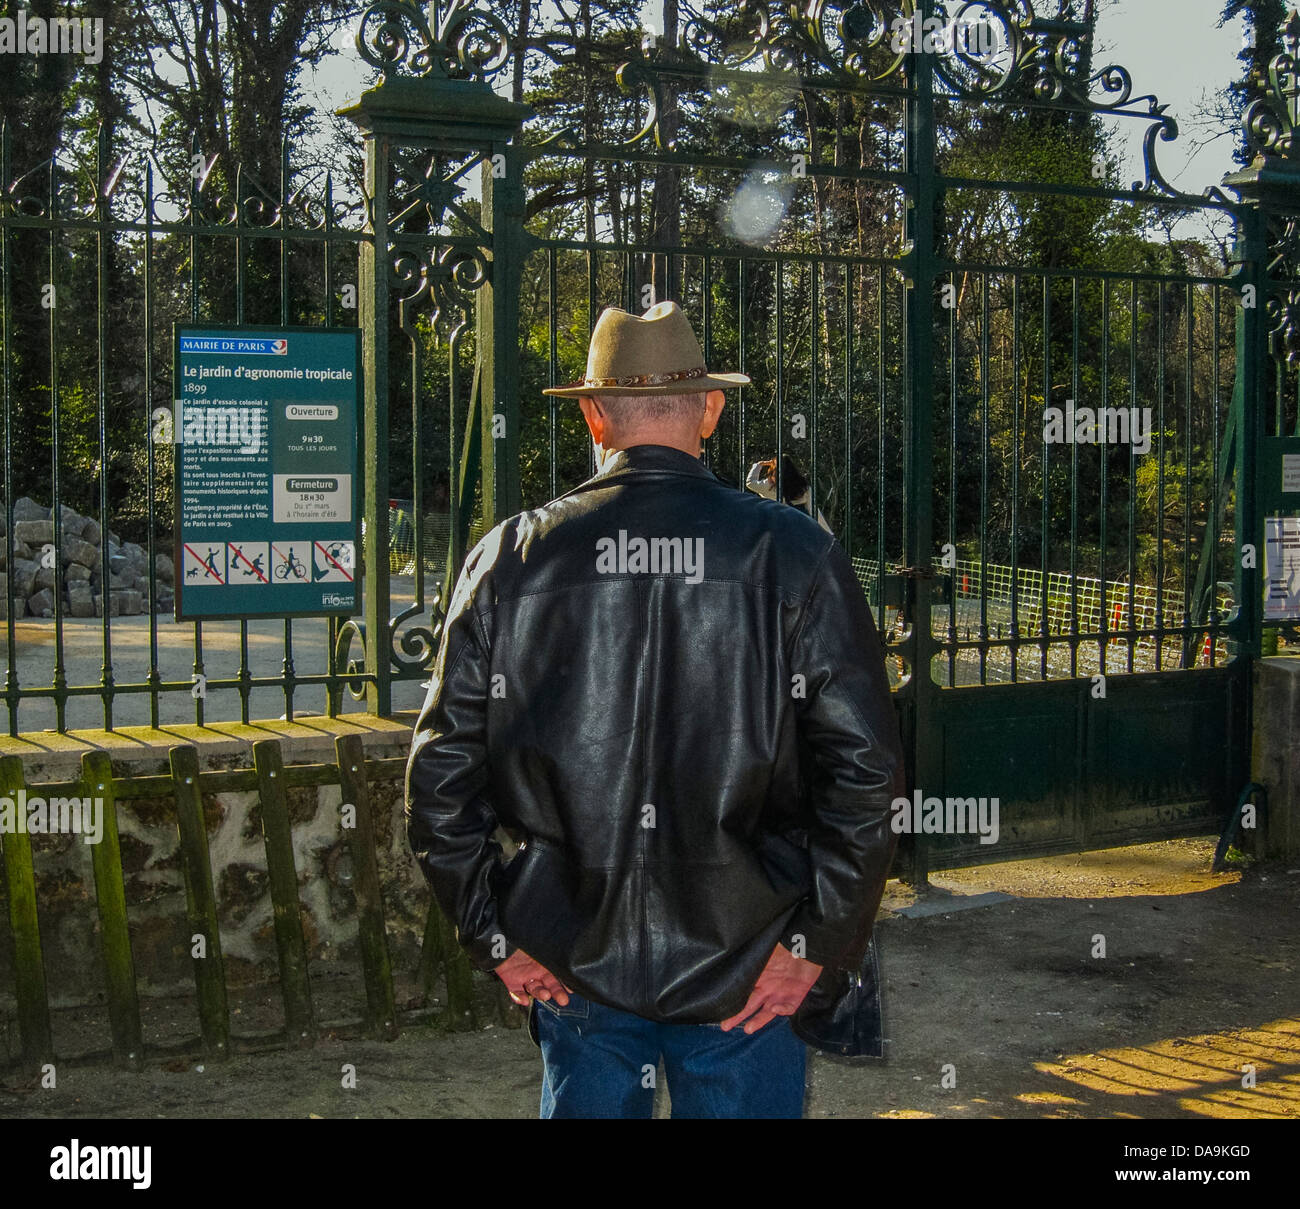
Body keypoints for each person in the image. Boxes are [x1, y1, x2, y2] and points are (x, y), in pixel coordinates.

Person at [406, 301, 904, 1119]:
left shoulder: (507, 560)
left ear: (595, 417)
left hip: (576, 961)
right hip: (748, 962)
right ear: (710, 408)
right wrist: (815, 942)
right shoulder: (796, 552)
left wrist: (494, 935)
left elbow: (437, 783)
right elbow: (868, 774)